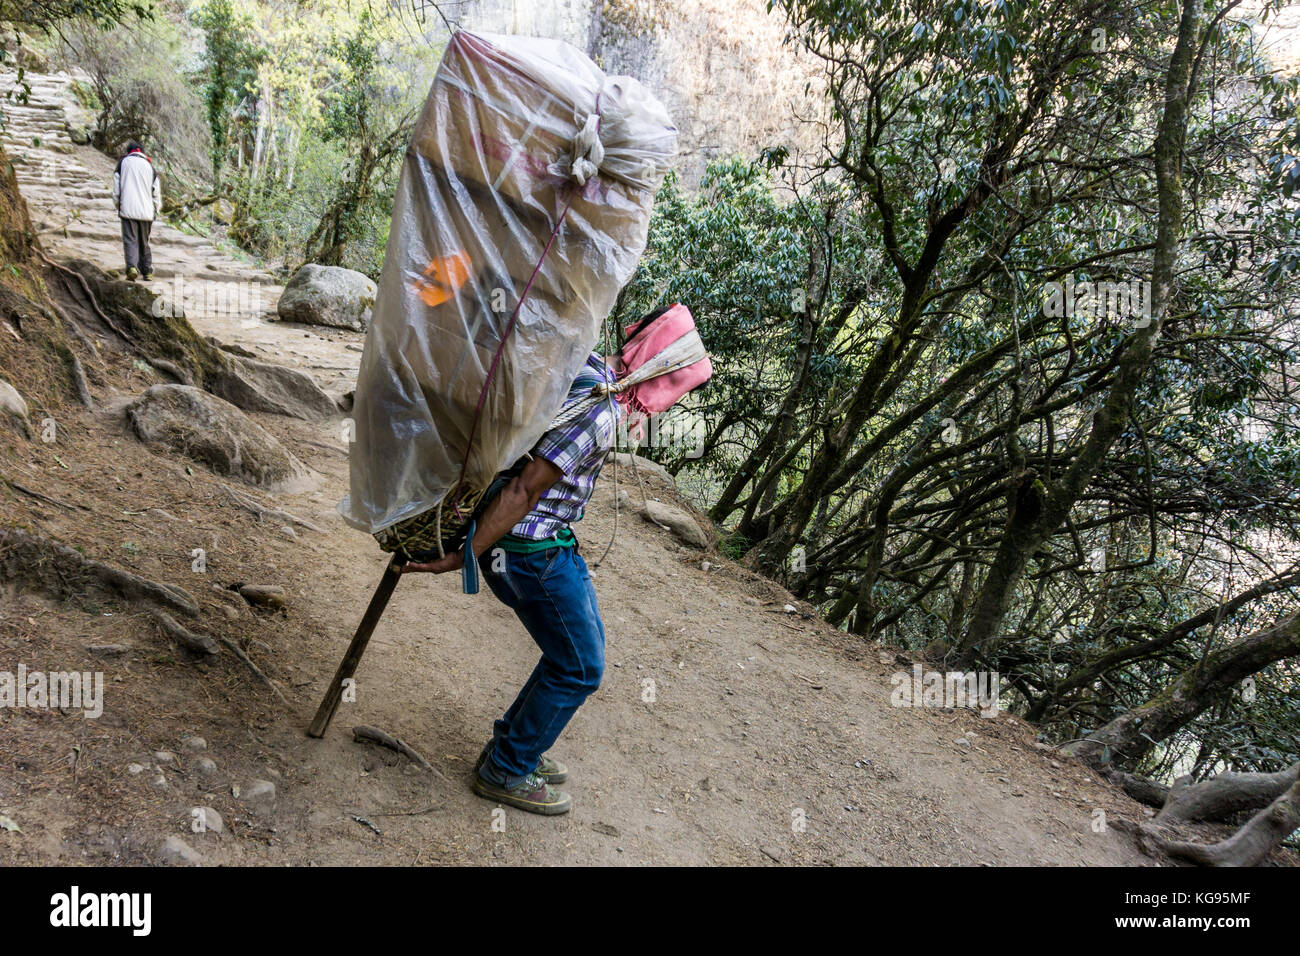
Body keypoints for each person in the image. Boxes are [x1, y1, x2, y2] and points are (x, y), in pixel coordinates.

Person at [400, 351, 621, 814]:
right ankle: (506, 769)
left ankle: (515, 748)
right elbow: (523, 488)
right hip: (529, 550)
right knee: (580, 667)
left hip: (548, 540)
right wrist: (464, 557)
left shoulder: (590, 367)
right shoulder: (601, 408)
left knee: (577, 652)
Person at [111, 141, 160, 281]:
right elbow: (156, 192)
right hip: (146, 211)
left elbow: (116, 189)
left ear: (129, 151)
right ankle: (147, 271)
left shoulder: (123, 163)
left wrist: (118, 205)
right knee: (144, 241)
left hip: (128, 208)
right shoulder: (150, 167)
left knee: (130, 239)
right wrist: (156, 209)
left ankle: (132, 267)